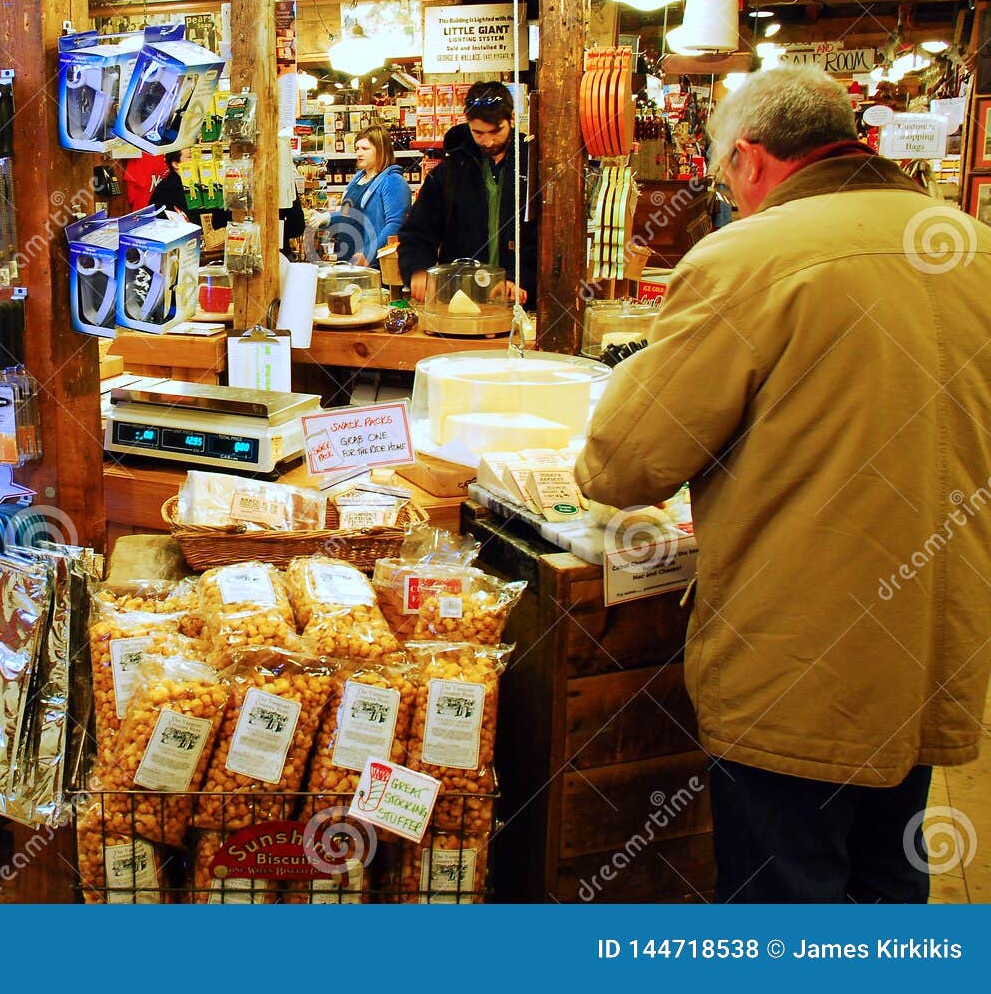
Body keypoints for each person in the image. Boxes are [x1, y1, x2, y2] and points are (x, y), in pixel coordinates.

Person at [574, 65, 991, 903]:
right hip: (933, 645)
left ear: (753, 159)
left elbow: (624, 464)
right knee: (888, 886)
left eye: (729, 173)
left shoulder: (751, 255)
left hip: (798, 666)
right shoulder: (970, 247)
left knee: (786, 903)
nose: (732, 193)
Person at [399, 81, 534, 305]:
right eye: (478, 133)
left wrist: (520, 279)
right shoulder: (450, 170)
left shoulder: (532, 166)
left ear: (511, 120)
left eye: (496, 131)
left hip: (519, 301)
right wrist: (418, 268)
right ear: (468, 124)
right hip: (459, 298)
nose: (488, 141)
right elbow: (418, 231)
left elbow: (542, 237)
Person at [328, 124, 410, 265]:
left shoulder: (393, 181)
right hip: (347, 258)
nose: (359, 153)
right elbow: (349, 213)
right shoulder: (357, 179)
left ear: (381, 150)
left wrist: (369, 253)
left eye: (365, 149)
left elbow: (395, 224)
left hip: (375, 264)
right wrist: (327, 219)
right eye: (357, 149)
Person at [148, 148, 191, 216]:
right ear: (176, 164)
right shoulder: (166, 187)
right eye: (190, 157)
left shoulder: (199, 183)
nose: (197, 159)